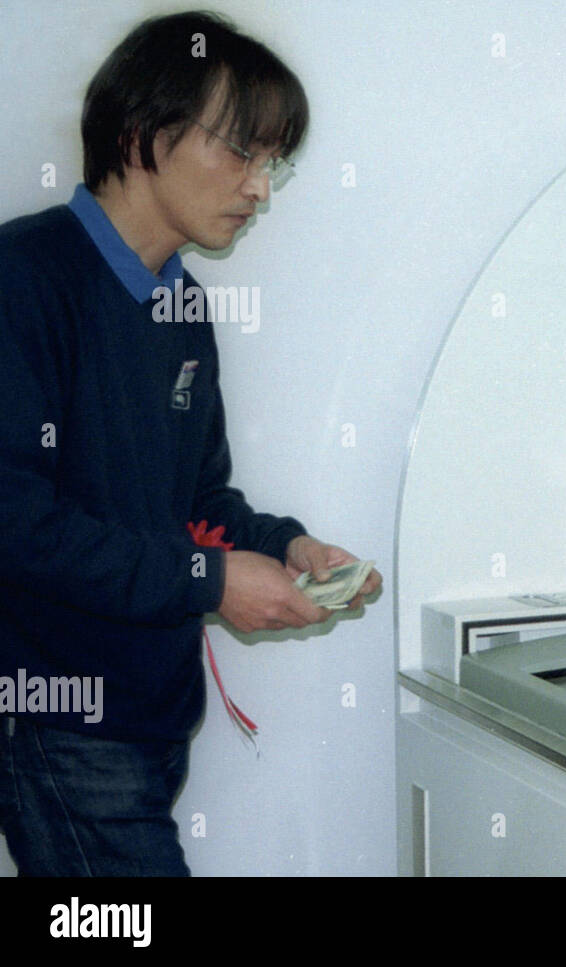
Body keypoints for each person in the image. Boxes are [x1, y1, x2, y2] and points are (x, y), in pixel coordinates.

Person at [0, 11, 380, 876]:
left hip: (152, 718)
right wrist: (209, 581)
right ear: (141, 130)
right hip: (60, 723)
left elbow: (199, 504)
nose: (260, 188)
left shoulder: (183, 307)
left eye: (272, 161)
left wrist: (285, 545)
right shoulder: (21, 281)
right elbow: (15, 522)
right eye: (240, 152)